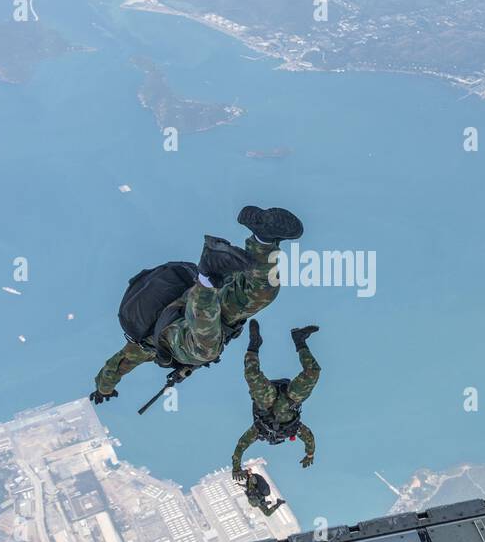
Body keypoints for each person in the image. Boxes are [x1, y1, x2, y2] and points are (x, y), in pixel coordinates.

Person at [91, 206, 302, 403]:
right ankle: (263, 238)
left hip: (186, 315)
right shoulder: (150, 346)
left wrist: (103, 390)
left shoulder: (143, 347)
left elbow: (115, 367)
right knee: (261, 293)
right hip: (211, 311)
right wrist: (104, 387)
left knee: (204, 349)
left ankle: (208, 274)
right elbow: (112, 368)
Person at [231, 320, 320, 510]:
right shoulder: (293, 429)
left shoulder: (259, 430)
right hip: (289, 398)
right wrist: (310, 453)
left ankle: (254, 345)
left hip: (267, 401)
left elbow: (241, 445)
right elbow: (309, 438)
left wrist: (236, 467)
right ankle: (299, 340)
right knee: (313, 372)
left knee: (251, 375)